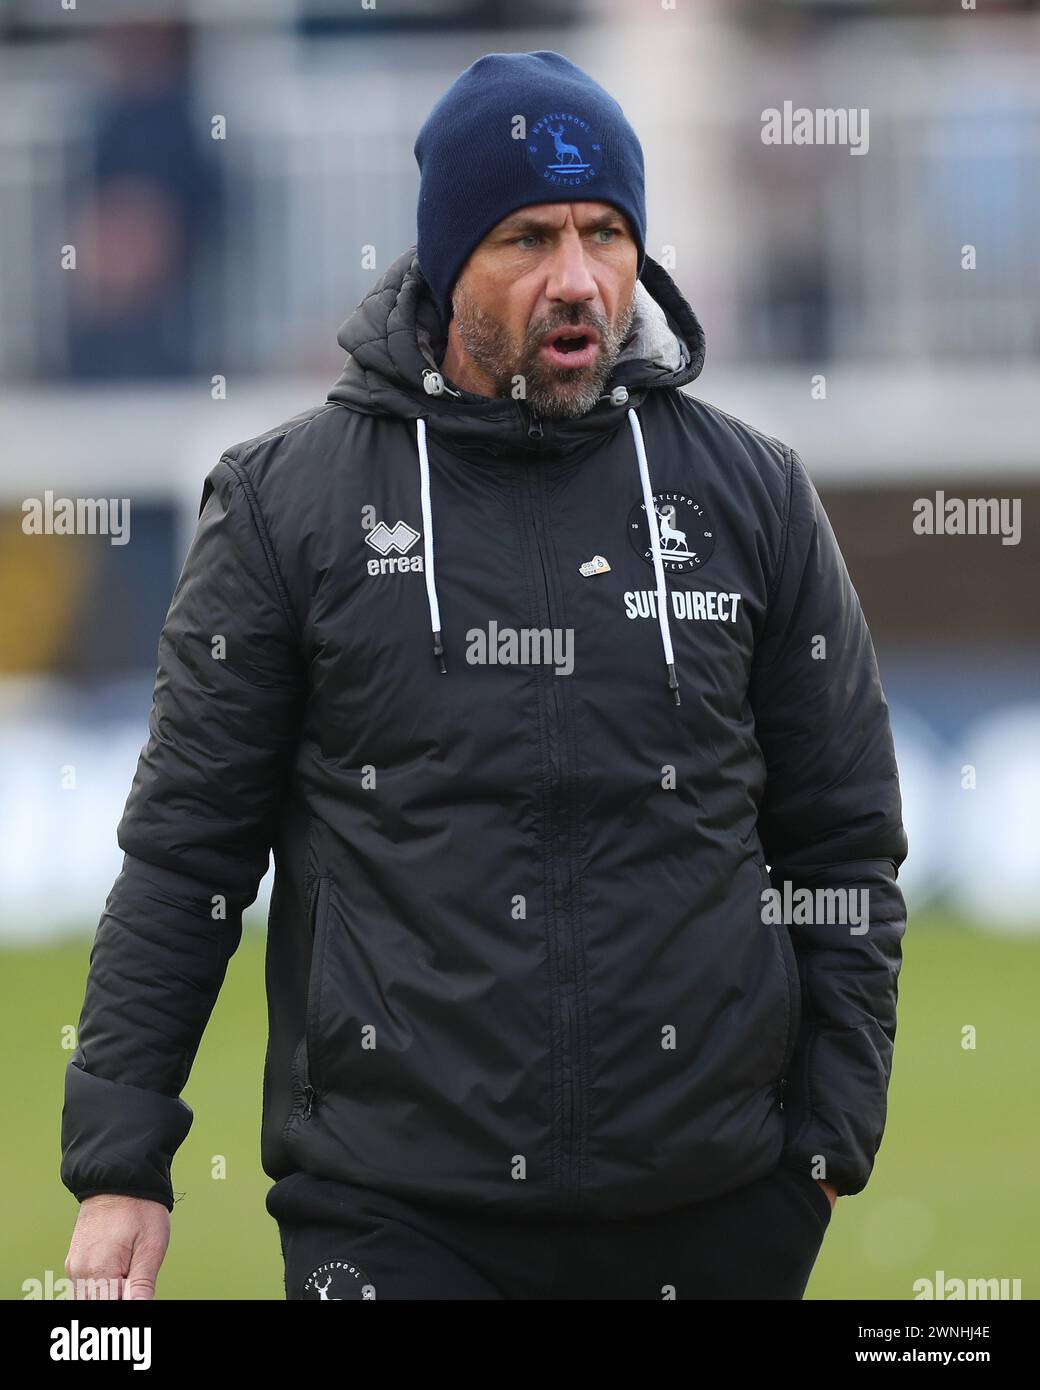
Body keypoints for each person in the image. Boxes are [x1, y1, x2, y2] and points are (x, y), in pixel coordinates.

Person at [61, 50, 908, 1301]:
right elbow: (187, 854)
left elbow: (839, 843)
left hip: (718, 1214)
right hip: (394, 1219)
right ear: (446, 260)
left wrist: (831, 1137)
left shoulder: (753, 494)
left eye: (605, 233)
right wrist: (121, 1157)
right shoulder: (284, 506)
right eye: (526, 237)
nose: (576, 280)